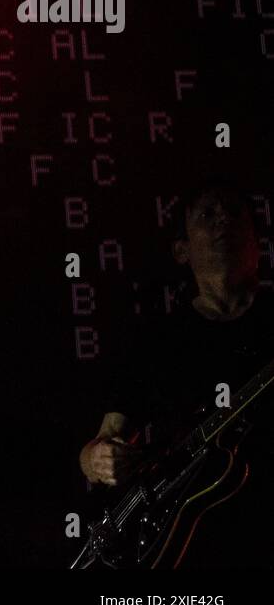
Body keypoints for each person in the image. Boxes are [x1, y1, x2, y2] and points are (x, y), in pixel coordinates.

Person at [78, 175, 273, 568]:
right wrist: (98, 460)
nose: (223, 222)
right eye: (207, 214)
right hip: (187, 543)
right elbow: (99, 446)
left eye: (235, 214)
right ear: (182, 250)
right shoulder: (157, 340)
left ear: (257, 240)